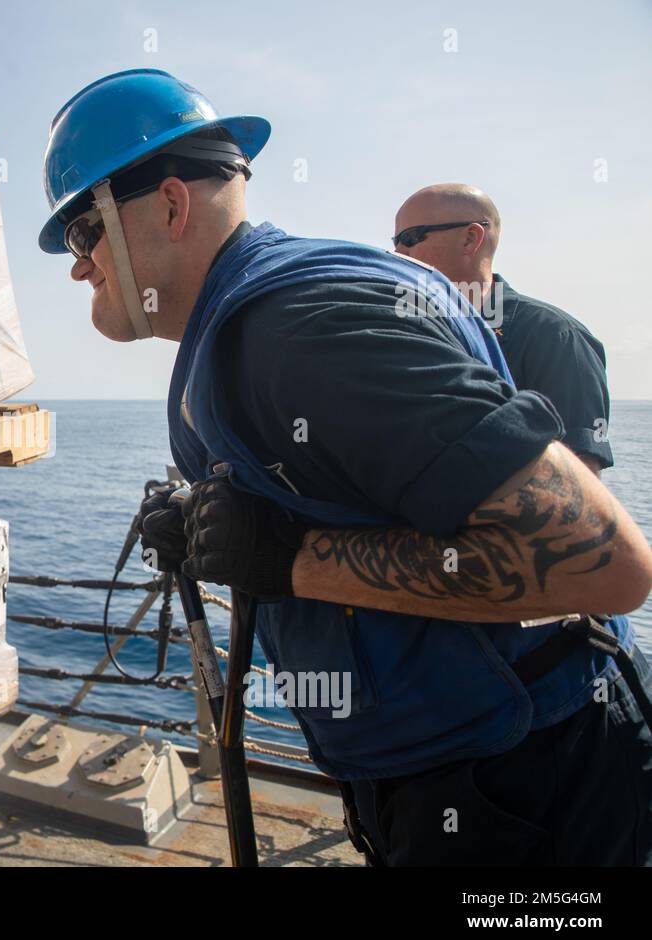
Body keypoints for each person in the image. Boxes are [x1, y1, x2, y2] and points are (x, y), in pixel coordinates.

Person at [38, 68, 652, 865]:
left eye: (83, 233)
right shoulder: (255, 318)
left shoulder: (302, 332)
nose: (78, 266)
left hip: (532, 783)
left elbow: (607, 566)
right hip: (450, 769)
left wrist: (289, 559)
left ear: (169, 204)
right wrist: (210, 523)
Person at [393, 184, 613, 474]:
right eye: (395, 241)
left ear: (470, 238)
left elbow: (580, 475)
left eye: (410, 238)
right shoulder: (409, 331)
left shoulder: (556, 337)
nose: (397, 252)